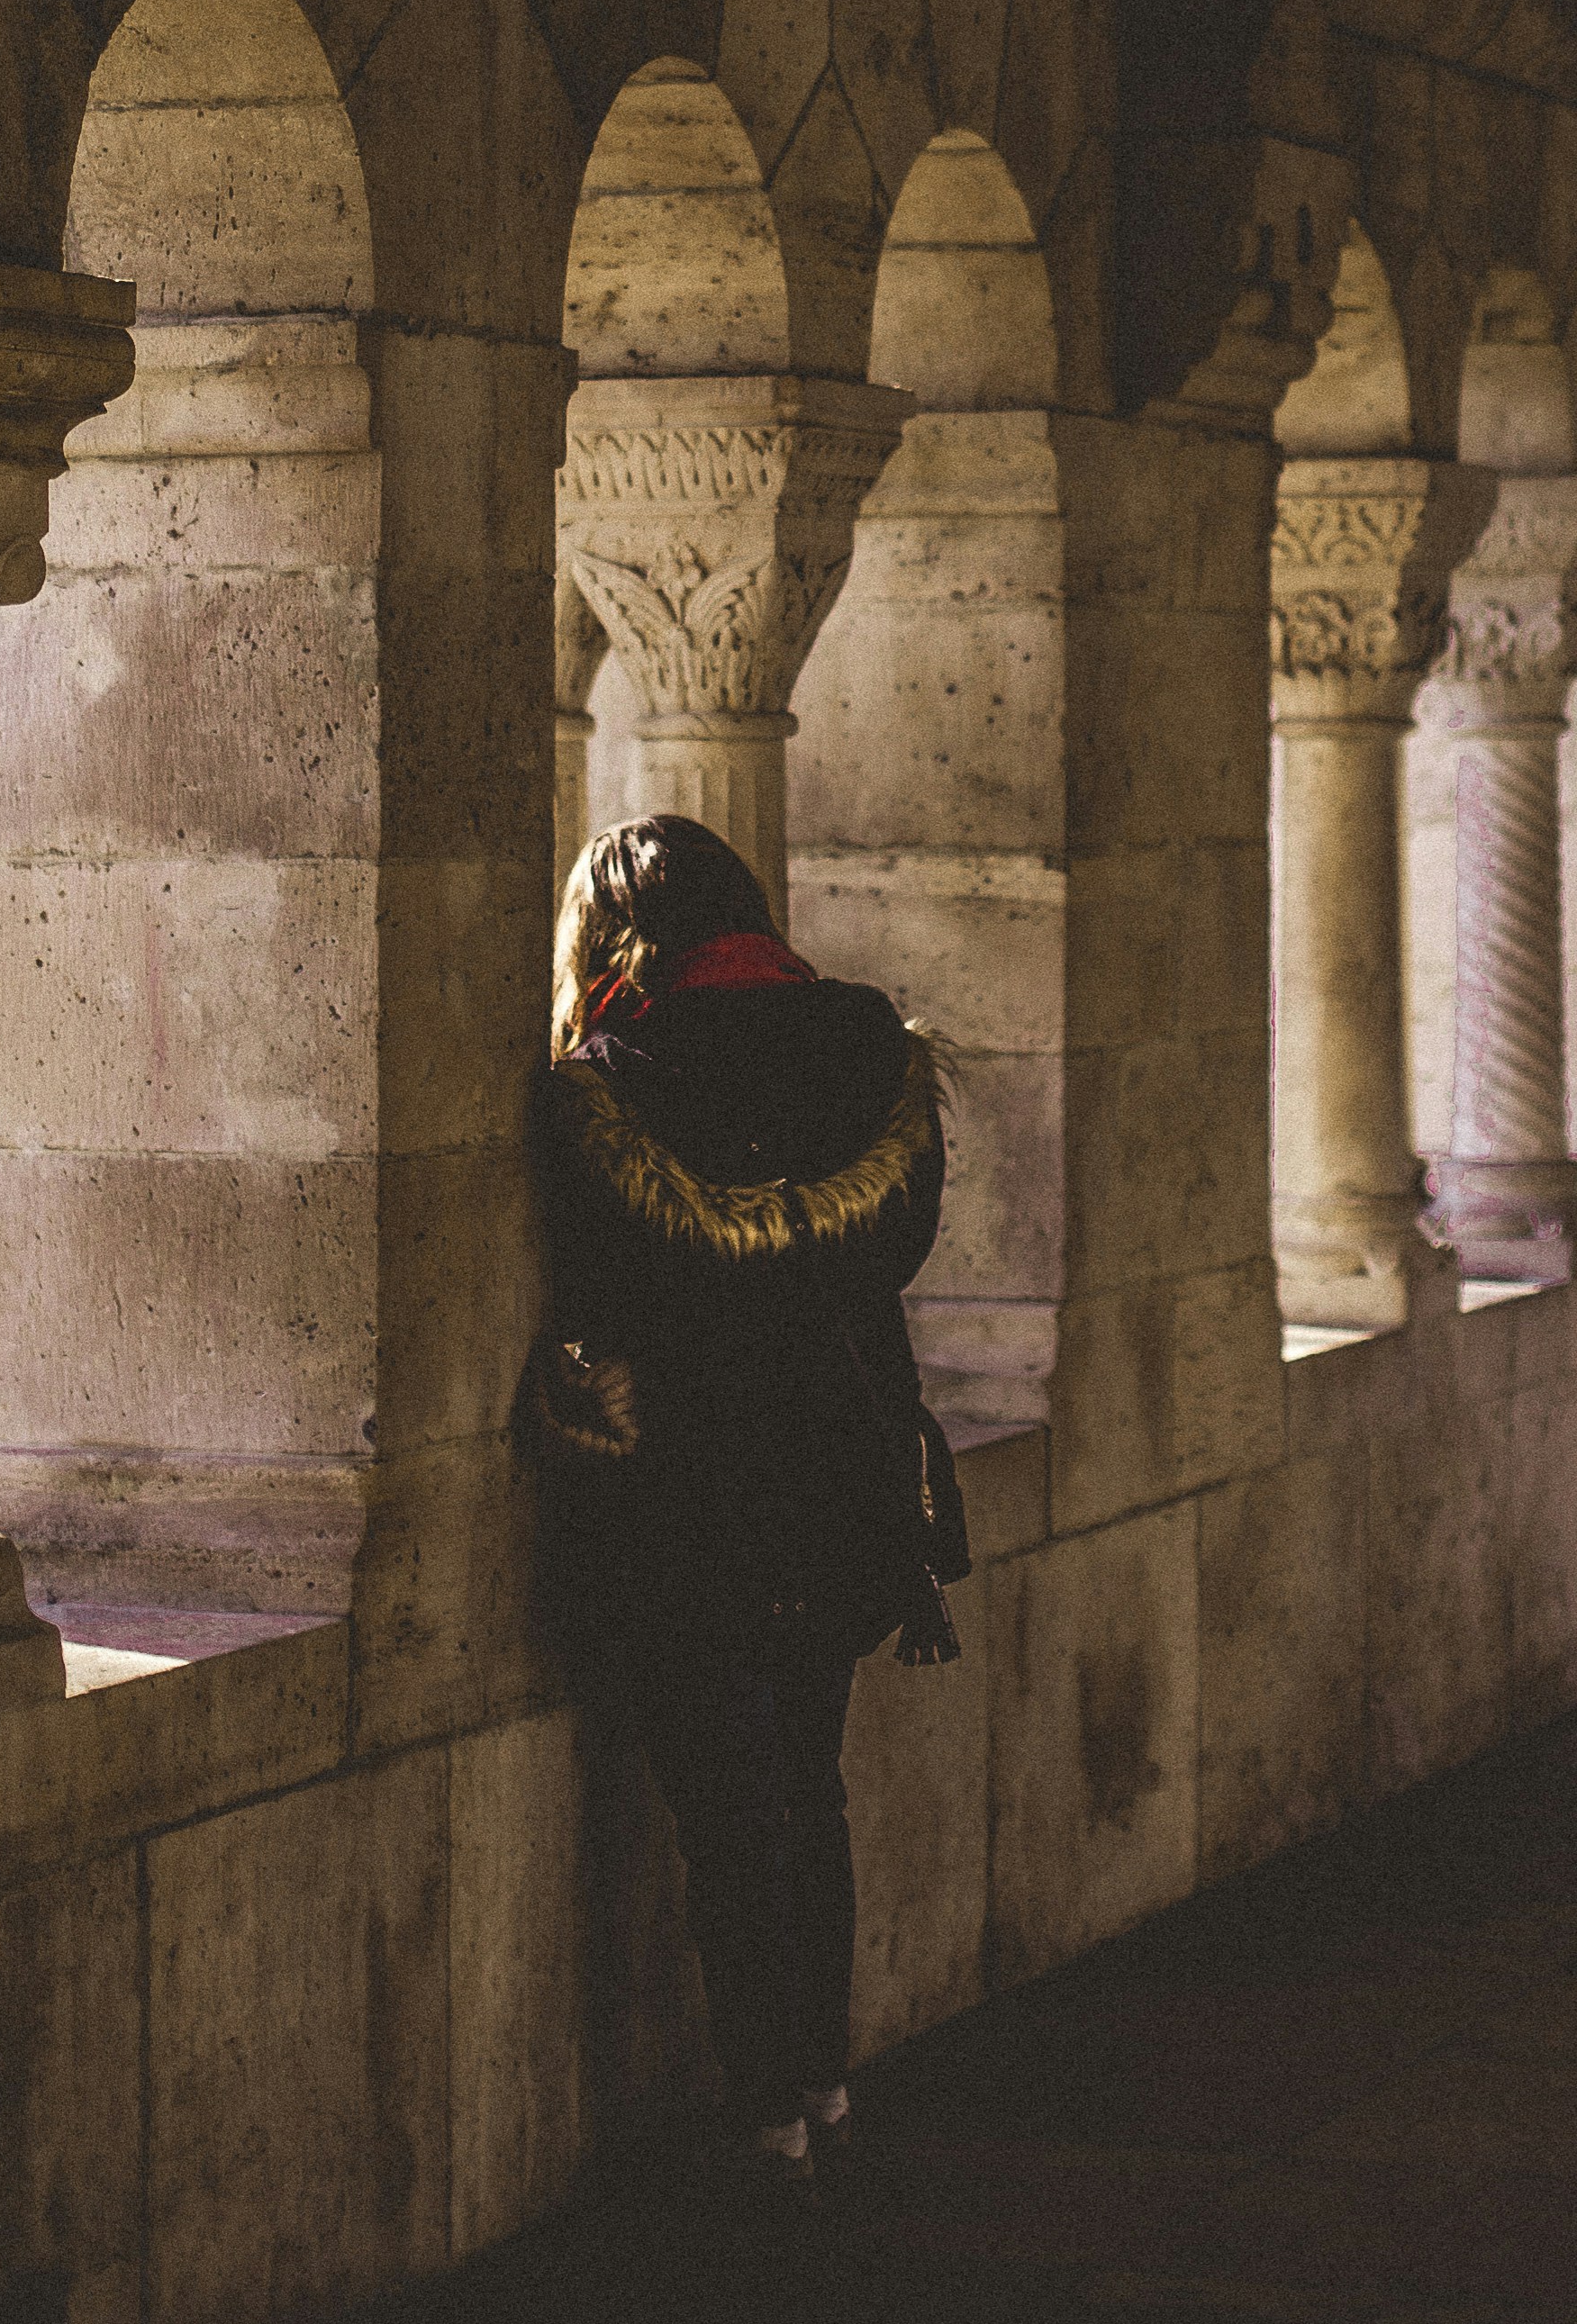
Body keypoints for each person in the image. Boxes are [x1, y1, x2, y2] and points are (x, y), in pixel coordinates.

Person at [531, 809, 963, 2209]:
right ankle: (823, 2077)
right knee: (807, 1786)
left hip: (693, 1485)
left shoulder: (611, 1081)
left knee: (726, 1805)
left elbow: (604, 1291)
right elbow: (893, 1247)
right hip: (845, 1467)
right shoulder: (869, 1047)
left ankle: (768, 2106)